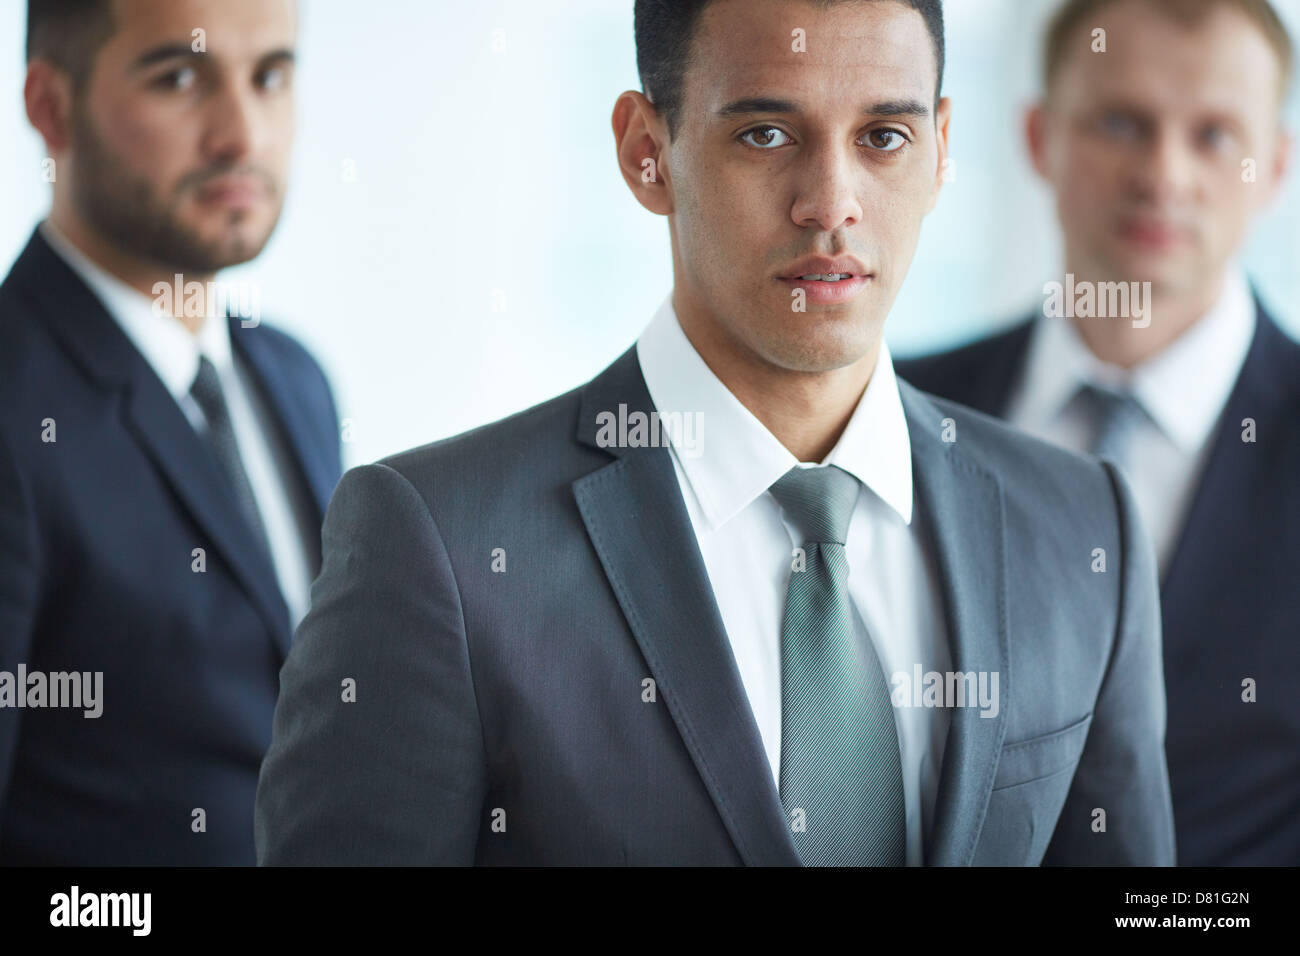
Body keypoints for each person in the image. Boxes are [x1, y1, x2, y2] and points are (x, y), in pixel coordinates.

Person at [256, 0, 1174, 866]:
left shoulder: (1082, 529)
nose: (831, 203)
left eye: (884, 138)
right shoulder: (440, 545)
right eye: (766, 134)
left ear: (941, 152)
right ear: (645, 151)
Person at [897, 0, 1299, 866]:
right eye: (1122, 121)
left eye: (1217, 136)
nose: (1164, 175)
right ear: (1040, 137)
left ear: (1275, 166)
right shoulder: (894, 408)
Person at [0, 0, 341, 864]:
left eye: (270, 75)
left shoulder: (295, 381)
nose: (241, 134)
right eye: (180, 77)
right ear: (50, 107)